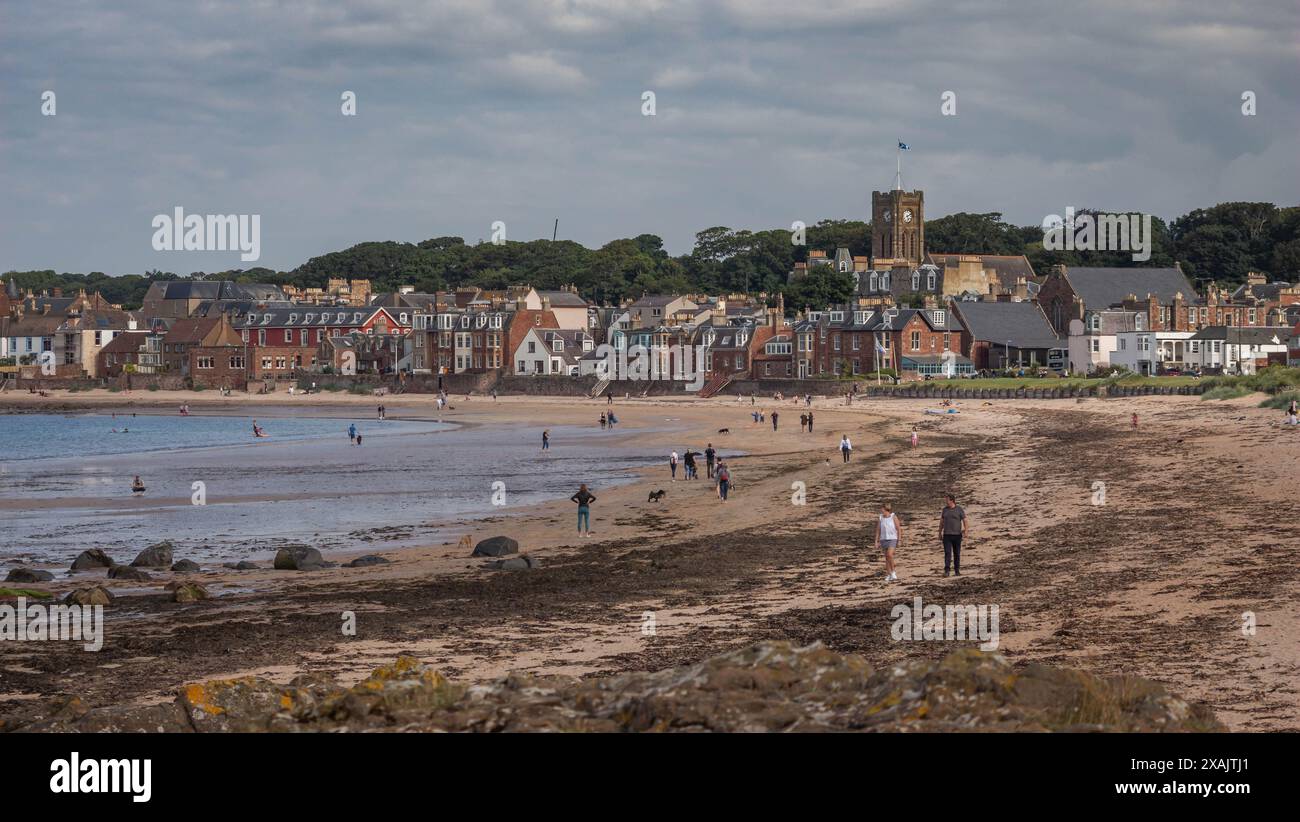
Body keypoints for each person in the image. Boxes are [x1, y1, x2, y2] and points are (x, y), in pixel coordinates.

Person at [939, 494, 967, 577]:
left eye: (947, 500)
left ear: (952, 500)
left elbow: (965, 521)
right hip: (947, 535)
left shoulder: (959, 509)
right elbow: (941, 522)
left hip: (957, 535)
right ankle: (947, 571)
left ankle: (957, 570)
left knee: (956, 553)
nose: (946, 501)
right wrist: (939, 532)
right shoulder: (945, 510)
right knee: (947, 553)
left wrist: (966, 531)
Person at [876, 503, 901, 583]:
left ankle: (893, 572)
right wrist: (876, 541)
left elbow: (899, 529)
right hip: (883, 539)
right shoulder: (880, 518)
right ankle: (889, 574)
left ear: (885, 509)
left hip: (892, 539)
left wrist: (899, 540)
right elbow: (878, 530)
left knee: (890, 554)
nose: (881, 510)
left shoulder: (893, 516)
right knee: (887, 558)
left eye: (882, 508)